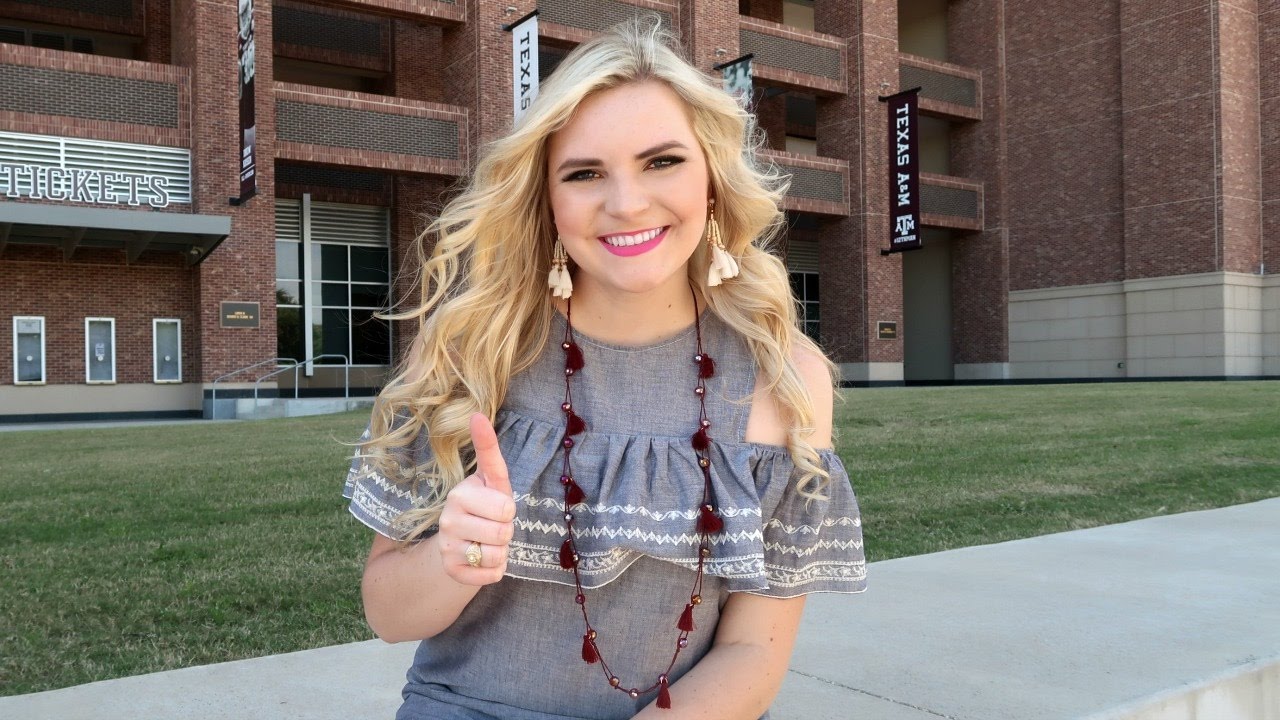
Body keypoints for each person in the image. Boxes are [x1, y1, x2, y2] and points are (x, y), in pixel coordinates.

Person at [343, 17, 865, 720]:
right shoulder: (473, 351)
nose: (626, 204)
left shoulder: (786, 378)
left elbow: (753, 654)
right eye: (585, 173)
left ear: (712, 179)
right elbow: (387, 614)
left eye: (662, 162)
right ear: (548, 200)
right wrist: (454, 556)